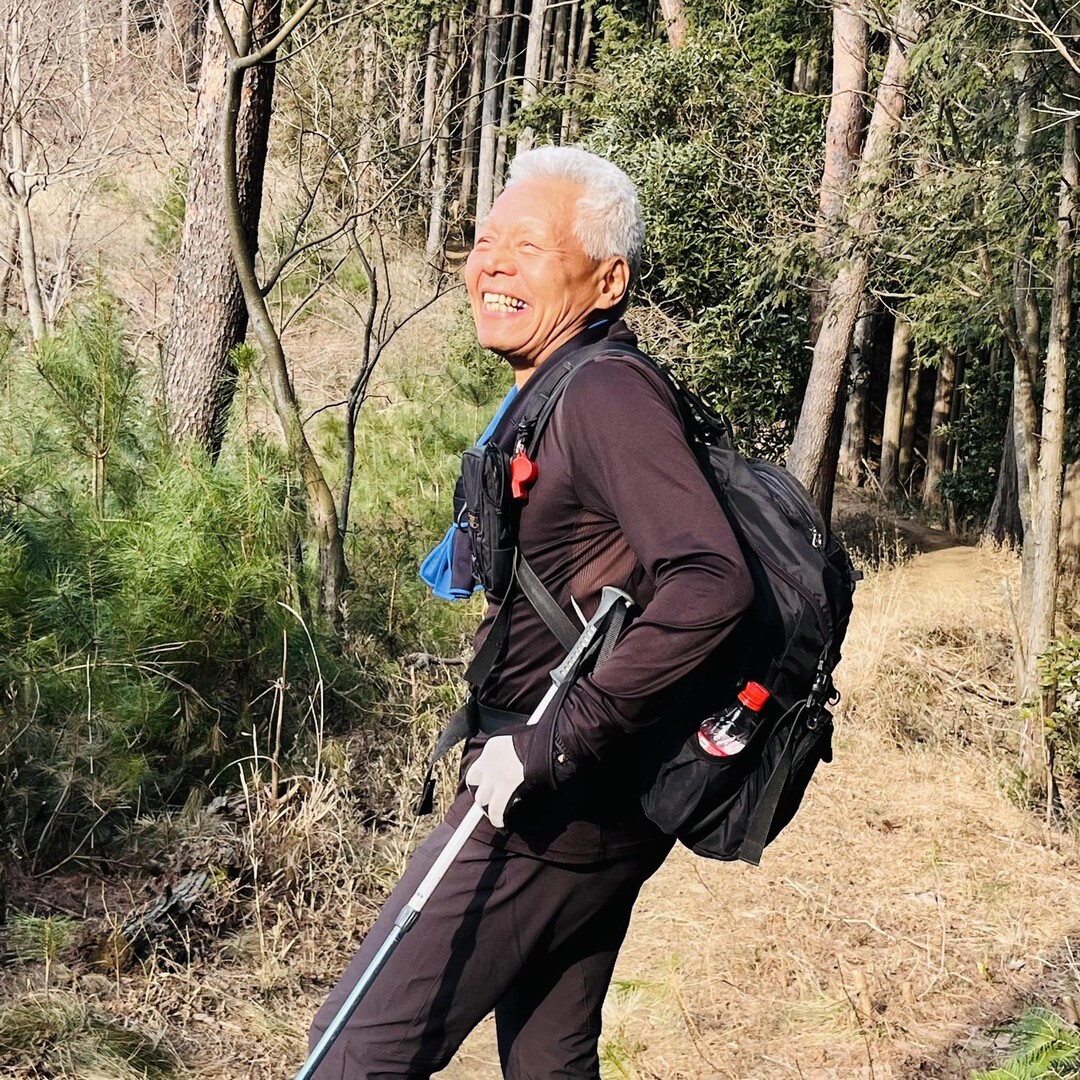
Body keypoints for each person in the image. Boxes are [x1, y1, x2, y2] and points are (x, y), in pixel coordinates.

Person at [309, 146, 754, 1080]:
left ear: (607, 281)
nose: (493, 265)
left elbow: (712, 579)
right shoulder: (558, 385)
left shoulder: (604, 392)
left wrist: (548, 742)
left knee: (352, 1054)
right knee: (551, 1062)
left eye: (529, 247)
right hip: (589, 790)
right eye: (484, 242)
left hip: (552, 798)